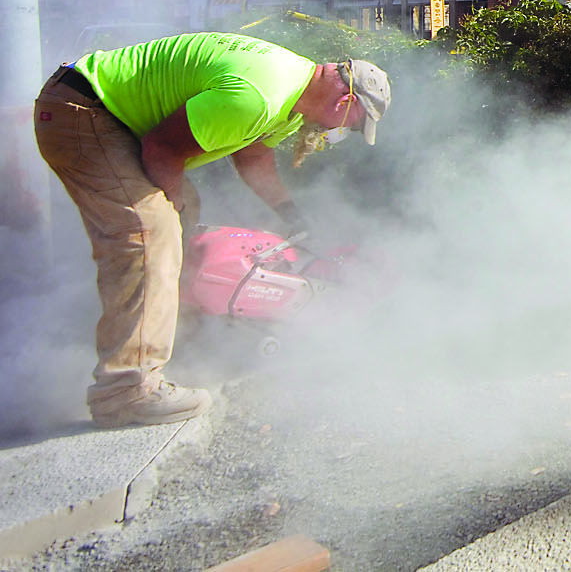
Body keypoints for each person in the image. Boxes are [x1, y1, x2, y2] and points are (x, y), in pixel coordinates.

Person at [32, 32, 391, 429]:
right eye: (351, 126)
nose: (338, 133)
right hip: (85, 111)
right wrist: (173, 210)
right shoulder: (260, 95)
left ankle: (171, 340)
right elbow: (162, 149)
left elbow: (253, 157)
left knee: (180, 218)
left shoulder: (292, 97)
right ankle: (126, 392)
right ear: (345, 102)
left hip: (103, 113)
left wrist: (293, 216)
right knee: (152, 232)